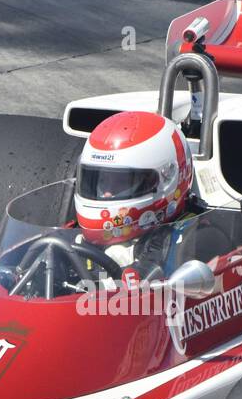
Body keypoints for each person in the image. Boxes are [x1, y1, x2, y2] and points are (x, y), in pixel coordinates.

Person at [71, 110, 201, 285]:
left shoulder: (192, 242)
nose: (106, 193)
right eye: (101, 181)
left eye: (120, 183)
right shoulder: (73, 240)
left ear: (167, 179)